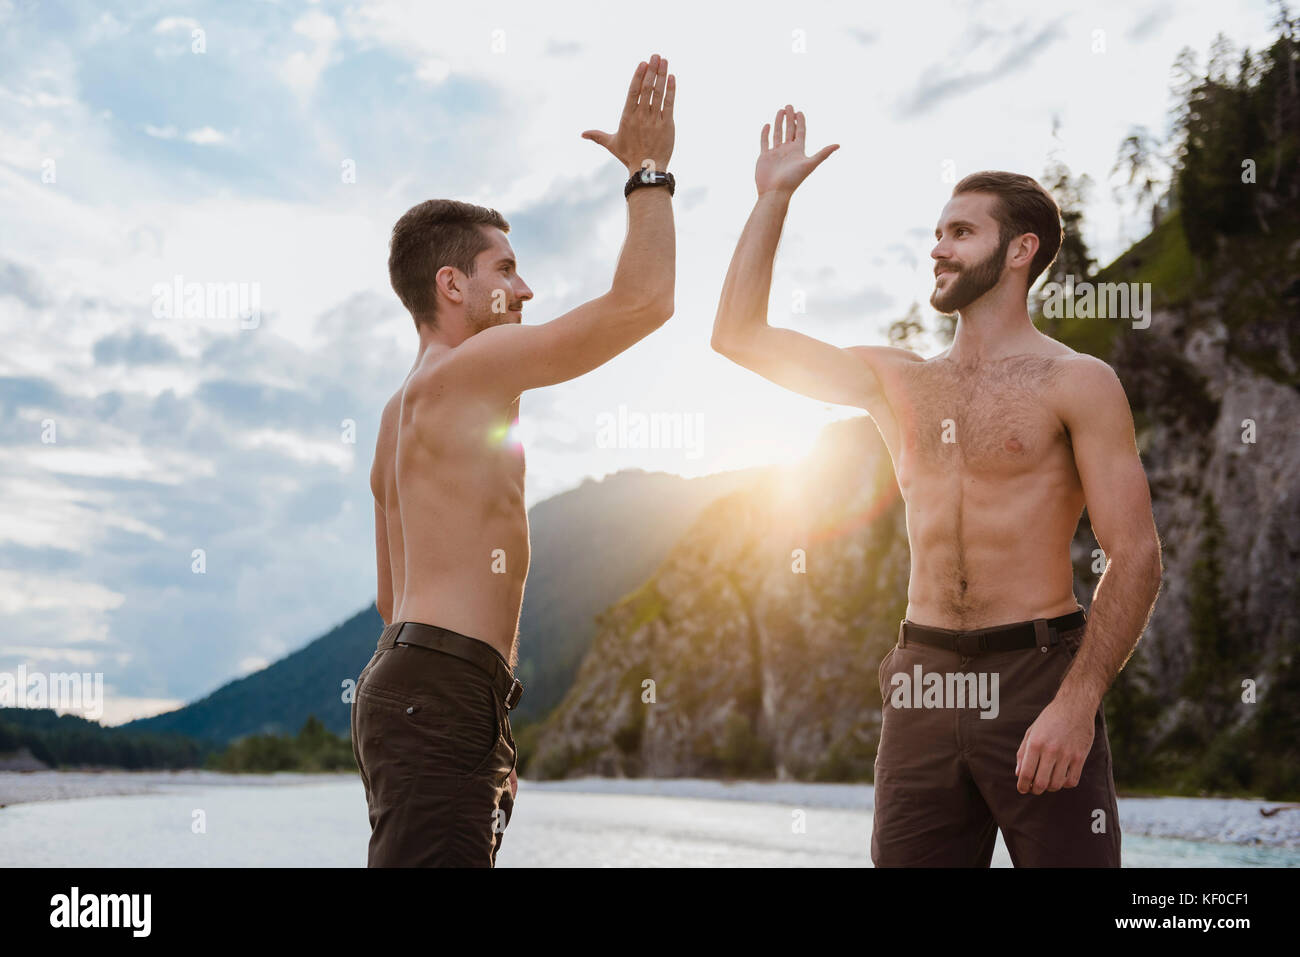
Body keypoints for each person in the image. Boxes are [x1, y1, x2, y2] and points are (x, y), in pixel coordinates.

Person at [711, 104, 1162, 866]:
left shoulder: (1077, 381)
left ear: (1020, 250)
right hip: (921, 680)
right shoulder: (898, 382)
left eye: (961, 233)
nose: (937, 249)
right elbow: (739, 336)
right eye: (938, 232)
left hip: (1037, 673)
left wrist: (1076, 703)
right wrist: (773, 199)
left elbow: (1138, 555)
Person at [352, 55, 677, 867]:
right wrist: (650, 172)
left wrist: (483, 719)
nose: (527, 290)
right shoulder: (467, 373)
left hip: (423, 688)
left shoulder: (399, 413)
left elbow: (394, 597)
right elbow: (645, 302)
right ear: (451, 285)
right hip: (439, 691)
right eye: (507, 269)